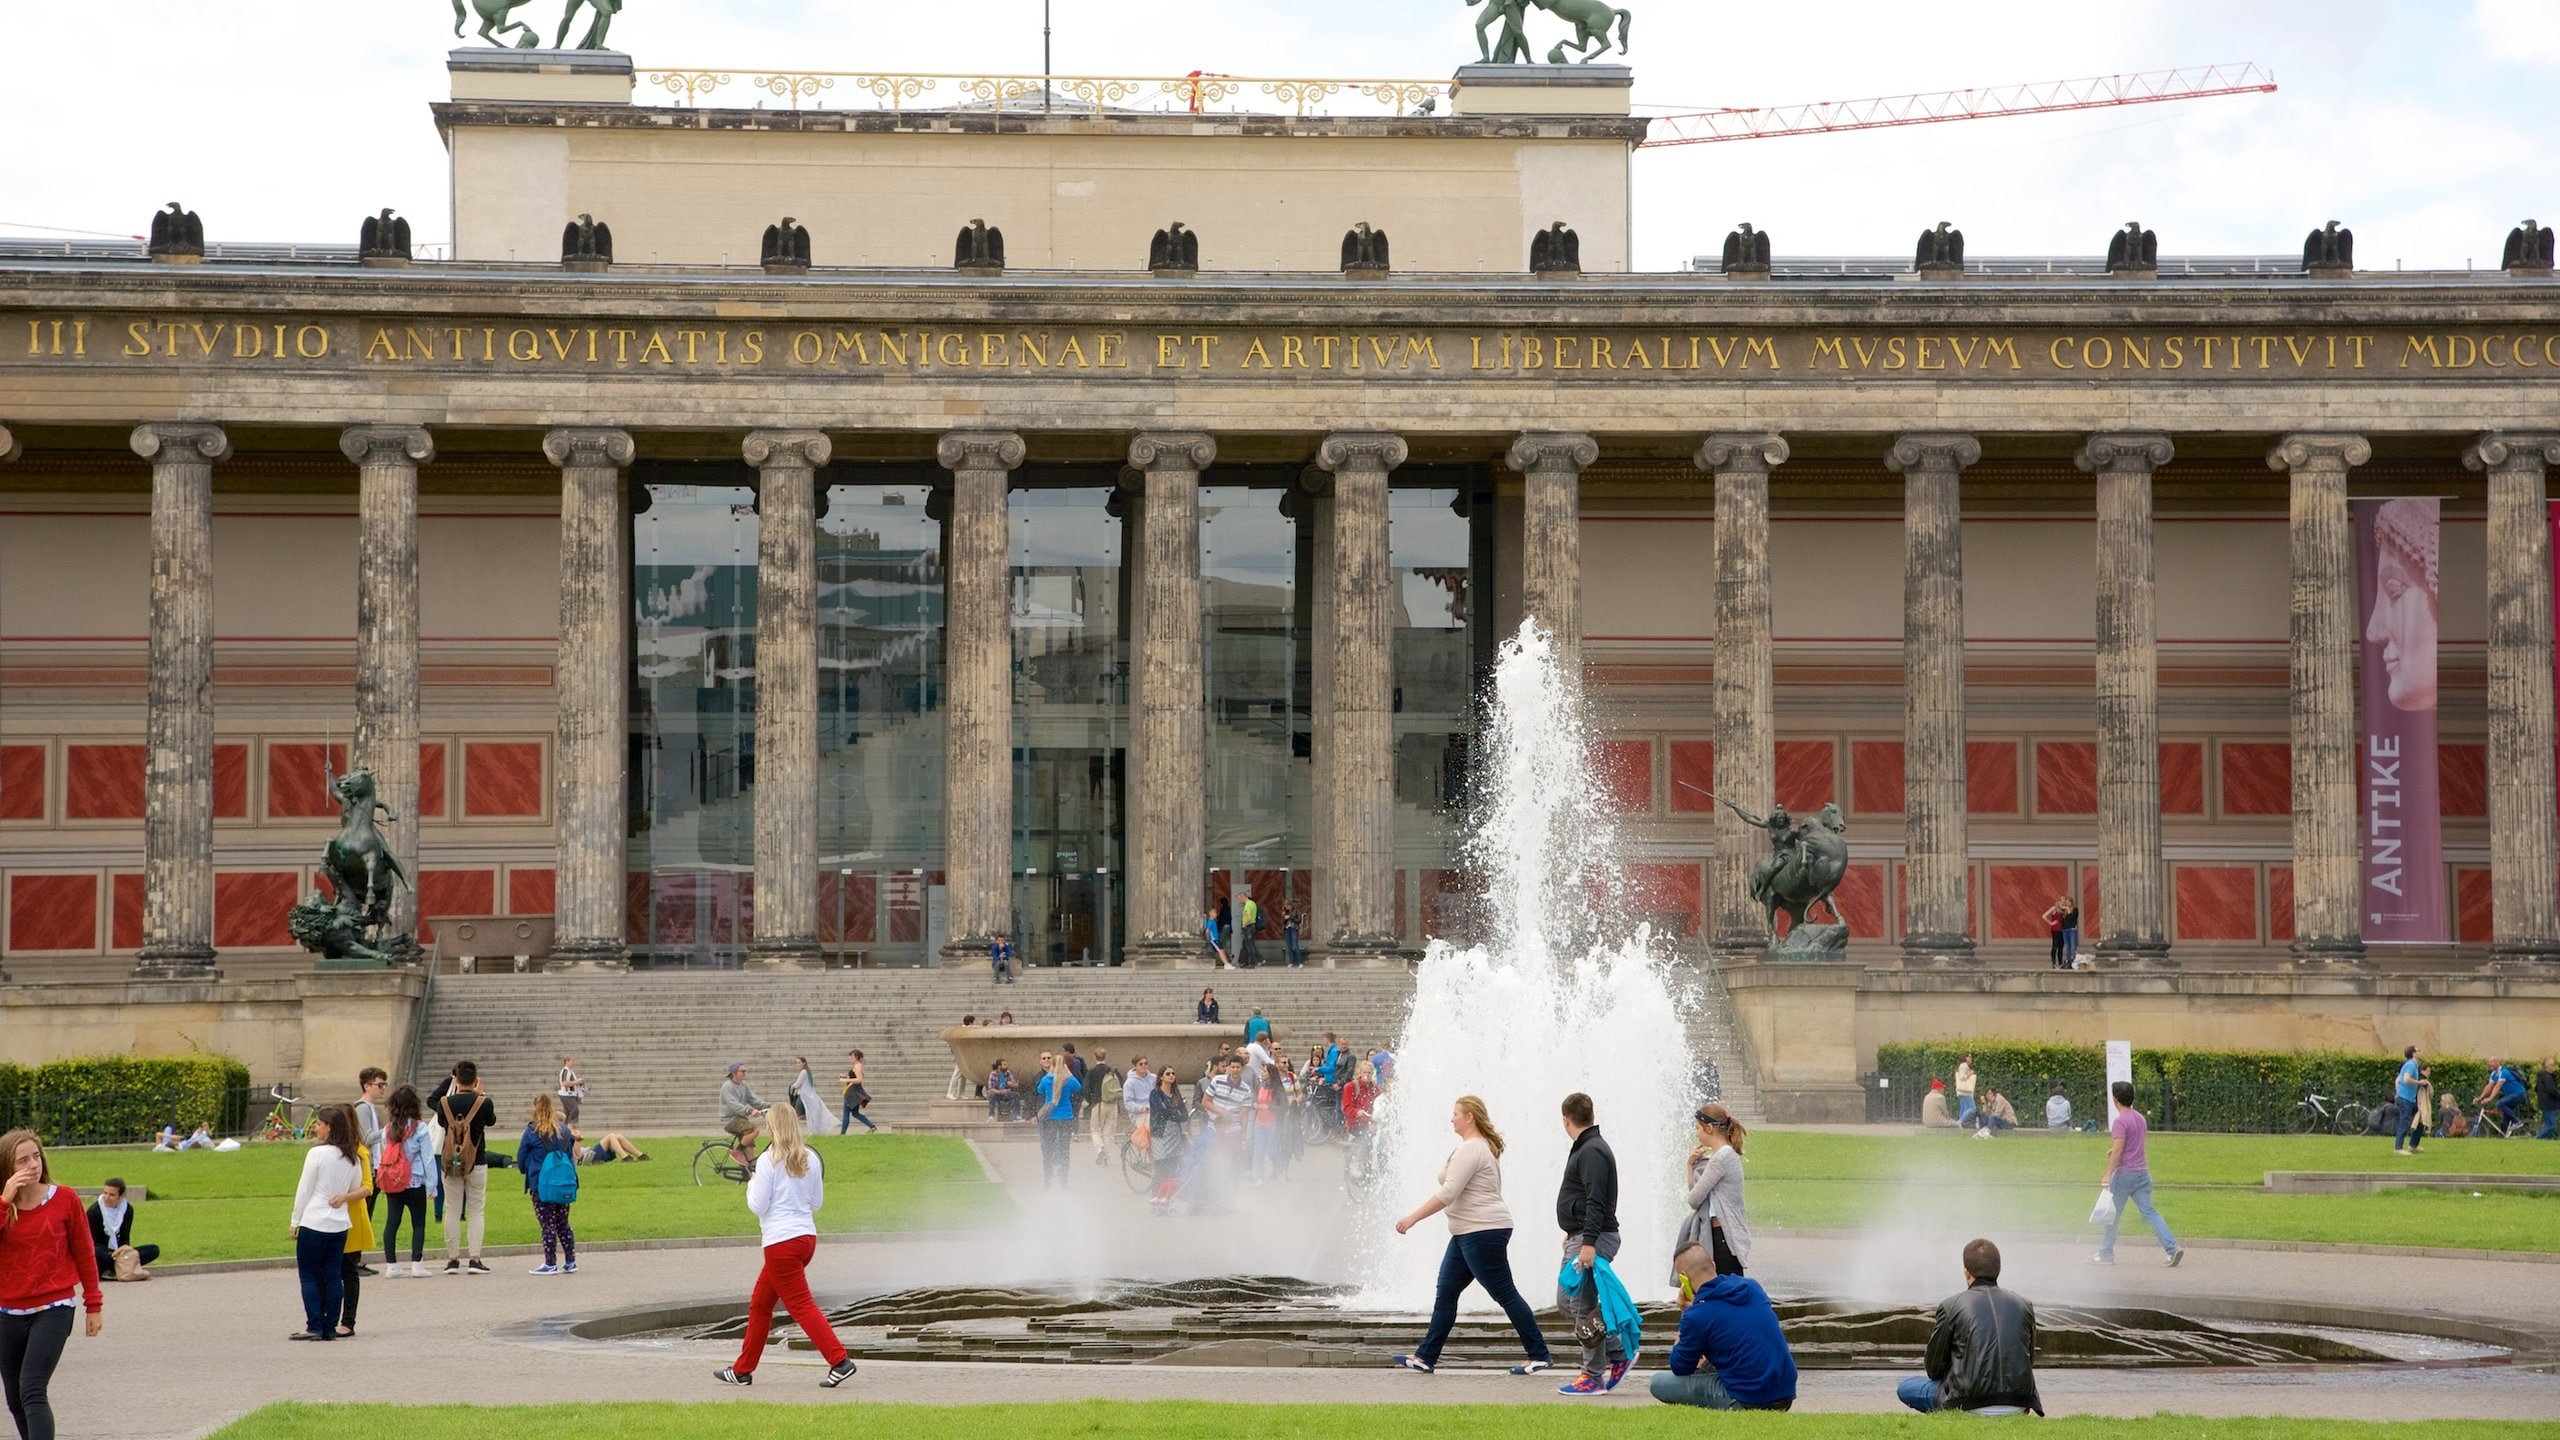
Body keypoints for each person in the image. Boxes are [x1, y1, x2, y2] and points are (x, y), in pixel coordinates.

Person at [1389, 1096, 1553, 1376]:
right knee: (1446, 1293)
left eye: (1455, 1113)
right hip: (1467, 1231)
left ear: (1469, 1117)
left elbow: (1448, 1192)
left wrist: (1412, 1218)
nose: (1451, 1118)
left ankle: (1539, 1354)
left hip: (1483, 1230)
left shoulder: (1472, 1149)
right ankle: (1425, 1357)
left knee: (1504, 1293)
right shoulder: (1474, 1148)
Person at [711, 1103, 859, 1390]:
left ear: (773, 1127)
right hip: (805, 1239)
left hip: (781, 1243)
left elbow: (758, 1205)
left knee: (801, 1306)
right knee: (760, 1305)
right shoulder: (810, 1157)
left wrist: (752, 1182)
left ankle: (839, 1360)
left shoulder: (768, 1161)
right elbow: (816, 1203)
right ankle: (742, 1370)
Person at [0, 1129, 102, 1440]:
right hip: (7, 1311)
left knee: (32, 1387)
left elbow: (85, 1252)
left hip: (54, 1307)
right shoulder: (2, 1204)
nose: (33, 1165)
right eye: (22, 1160)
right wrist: (4, 1201)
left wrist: (93, 1304)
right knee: (15, 1399)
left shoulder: (65, 1199)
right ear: (6, 1167)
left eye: (36, 1157)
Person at [1897, 1238, 2043, 1415]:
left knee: (1906, 1387)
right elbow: (2029, 1360)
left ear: (1966, 1273)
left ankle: (1949, 1414)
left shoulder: (1951, 1306)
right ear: (1999, 1269)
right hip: (2019, 1402)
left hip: (1967, 1402)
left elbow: (1933, 1368)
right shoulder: (2024, 1305)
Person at [1649, 1243, 1797, 1411]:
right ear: (1713, 1265)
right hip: (1785, 1394)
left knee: (1658, 1383)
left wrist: (1685, 1311)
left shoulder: (1696, 1315)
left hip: (1748, 1400)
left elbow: (1679, 1367)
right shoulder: (1752, 1287)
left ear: (1684, 1278)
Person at [1553, 1092, 1626, 1396]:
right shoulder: (1587, 1146)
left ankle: (1593, 1376)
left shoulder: (1592, 1150)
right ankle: (1618, 1351)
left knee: (1582, 1303)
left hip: (1592, 1236)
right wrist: (1574, 1230)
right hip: (1582, 1234)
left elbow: (1596, 1200)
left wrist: (1588, 1242)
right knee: (1566, 1301)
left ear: (1565, 1119)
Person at [288, 1106, 362, 1339]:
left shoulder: (317, 1154)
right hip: (338, 1224)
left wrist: (295, 1220)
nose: (316, 1128)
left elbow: (304, 1189)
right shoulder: (352, 1156)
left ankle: (314, 1324)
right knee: (332, 1275)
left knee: (309, 1275)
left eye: (319, 1124)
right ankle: (330, 1325)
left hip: (315, 1221)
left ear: (329, 1127)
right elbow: (355, 1187)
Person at [2095, 1080, 2182, 1267]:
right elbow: (2133, 1144)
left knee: (2112, 1215)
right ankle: (2172, 1248)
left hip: (2125, 1175)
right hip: (2142, 1173)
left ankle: (2105, 1253)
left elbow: (2119, 1150)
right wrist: (2114, 1149)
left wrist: (2107, 1174)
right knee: (2150, 1212)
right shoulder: (2140, 1118)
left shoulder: (2120, 1122)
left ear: (2115, 1099)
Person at [1676, 1104, 1749, 1284]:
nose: (1696, 1133)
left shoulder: (1721, 1158)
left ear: (1709, 1128)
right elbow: (1697, 1196)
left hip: (1722, 1237)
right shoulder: (1725, 1155)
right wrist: (1690, 1165)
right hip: (1721, 1235)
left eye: (1698, 1128)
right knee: (1727, 1289)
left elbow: (1694, 1199)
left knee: (1724, 1290)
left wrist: (1690, 1166)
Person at [434, 1061, 495, 1275]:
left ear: (456, 1080)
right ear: (476, 1079)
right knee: (476, 1209)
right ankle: (474, 1258)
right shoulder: (484, 1102)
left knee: (452, 1209)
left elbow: (442, 1123)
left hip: (451, 1161)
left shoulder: (444, 1103)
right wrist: (480, 1094)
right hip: (476, 1160)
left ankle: (452, 1259)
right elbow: (491, 1121)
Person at [375, 1085, 437, 1278]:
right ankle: (417, 1264)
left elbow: (386, 1153)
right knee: (418, 1223)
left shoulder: (388, 1129)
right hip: (415, 1181)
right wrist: (432, 1185)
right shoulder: (420, 1128)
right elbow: (428, 1158)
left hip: (393, 1182)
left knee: (392, 1222)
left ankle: (391, 1265)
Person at [327, 1105, 377, 1335]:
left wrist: (344, 1197)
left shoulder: (359, 1152)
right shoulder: (330, 1152)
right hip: (331, 1217)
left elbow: (368, 1187)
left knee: (348, 1270)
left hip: (352, 1217)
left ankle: (348, 1321)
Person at [519, 1094, 580, 1275]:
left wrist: (525, 1170)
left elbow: (522, 1157)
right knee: (563, 1223)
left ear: (535, 1109)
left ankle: (550, 1263)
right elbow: (570, 1155)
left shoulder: (531, 1132)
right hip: (562, 1182)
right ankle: (570, 1260)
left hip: (541, 1183)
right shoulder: (564, 1131)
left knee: (547, 1223)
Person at [84, 1181, 156, 1280]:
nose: (106, 1197)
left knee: (153, 1249)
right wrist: (113, 1254)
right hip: (103, 1252)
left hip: (119, 1252)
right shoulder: (94, 1211)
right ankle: (123, 1267)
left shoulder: (127, 1209)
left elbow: (125, 1237)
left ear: (121, 1196)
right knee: (96, 1252)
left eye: (112, 1195)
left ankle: (116, 1268)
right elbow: (92, 1241)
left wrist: (124, 1251)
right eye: (105, 1193)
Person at [1146, 1068, 1194, 1215]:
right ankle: (1156, 1197)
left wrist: (1172, 1113)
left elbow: (1184, 1115)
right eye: (1168, 1074)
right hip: (1160, 1135)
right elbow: (1161, 1112)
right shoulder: (1155, 1094)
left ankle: (1167, 1199)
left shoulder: (1176, 1094)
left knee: (1172, 1169)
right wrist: (1175, 1113)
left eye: (1173, 1073)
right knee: (1161, 1168)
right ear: (1161, 1077)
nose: (1171, 1076)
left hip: (1175, 1135)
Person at [1034, 1052, 1081, 1190]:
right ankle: (1064, 1181)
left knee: (1048, 1148)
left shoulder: (1046, 1079)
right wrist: (1068, 1072)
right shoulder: (1068, 1080)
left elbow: (1039, 1090)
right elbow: (1078, 1087)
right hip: (1066, 1117)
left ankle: (1047, 1181)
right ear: (1064, 1065)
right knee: (1065, 1149)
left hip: (1050, 1118)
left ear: (1052, 1065)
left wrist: (1051, 1074)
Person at [720, 1062, 767, 1163]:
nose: (745, 1073)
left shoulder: (744, 1085)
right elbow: (734, 1105)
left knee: (749, 1141)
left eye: (745, 1071)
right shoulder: (727, 1087)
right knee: (754, 1129)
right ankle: (737, 1152)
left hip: (741, 1120)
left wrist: (768, 1106)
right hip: (731, 1120)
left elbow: (753, 1099)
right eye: (743, 1071)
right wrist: (750, 1110)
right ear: (734, 1073)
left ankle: (750, 1167)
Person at [2474, 1057, 2527, 1135]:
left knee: (2500, 1103)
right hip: (2511, 1095)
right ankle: (2503, 1136)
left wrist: (2489, 1098)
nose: (2489, 1064)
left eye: (2492, 1062)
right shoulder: (2493, 1074)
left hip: (2519, 1094)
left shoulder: (2504, 1072)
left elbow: (2497, 1086)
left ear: (2498, 1063)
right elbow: (2489, 1087)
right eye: (2489, 1062)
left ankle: (2517, 1121)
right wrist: (2480, 1097)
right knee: (2506, 1116)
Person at [1089, 1053, 1126, 1166]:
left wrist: (1091, 1100)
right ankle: (1106, 1156)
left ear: (1094, 1057)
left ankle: (1100, 1149)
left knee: (1095, 1129)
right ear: (1105, 1057)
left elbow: (1085, 1088)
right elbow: (1121, 1084)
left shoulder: (1092, 1072)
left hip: (1098, 1103)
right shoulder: (1113, 1071)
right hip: (1113, 1104)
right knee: (1109, 1132)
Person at [837, 1051, 878, 1134]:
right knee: (855, 1113)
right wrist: (845, 1076)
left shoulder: (858, 1066)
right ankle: (872, 1127)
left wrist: (846, 1080)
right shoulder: (857, 1065)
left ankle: (842, 1133)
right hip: (854, 1091)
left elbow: (859, 1079)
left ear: (856, 1057)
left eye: (851, 1056)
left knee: (846, 1113)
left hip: (852, 1093)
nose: (850, 1058)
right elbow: (854, 1076)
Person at [2392, 1045, 2423, 1153]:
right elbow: (2406, 1079)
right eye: (2419, 1050)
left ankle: (2413, 1145)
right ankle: (2398, 1148)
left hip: (2409, 1099)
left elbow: (2397, 1080)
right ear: (2414, 1054)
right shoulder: (2411, 1065)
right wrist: (2419, 1082)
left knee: (2420, 1119)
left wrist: (2398, 1093)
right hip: (2406, 1099)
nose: (2421, 1052)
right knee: (2404, 1122)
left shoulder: (2410, 1065)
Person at [1340, 1061, 1380, 1133]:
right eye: (1364, 1072)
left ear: (1372, 1073)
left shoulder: (1374, 1087)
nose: (1367, 1075)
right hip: (1355, 1123)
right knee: (1365, 1136)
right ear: (1360, 1073)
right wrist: (1357, 1112)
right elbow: (1346, 1108)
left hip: (1370, 1122)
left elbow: (1379, 1102)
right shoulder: (1351, 1086)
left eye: (1369, 1073)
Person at [2041, 896, 2078, 970]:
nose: (2063, 903)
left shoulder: (2064, 910)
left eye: (2064, 902)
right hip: (2055, 929)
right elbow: (2044, 916)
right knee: (2055, 946)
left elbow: (2070, 917)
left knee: (2061, 947)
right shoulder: (2054, 908)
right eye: (2062, 901)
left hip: (2062, 929)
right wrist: (2051, 923)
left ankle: (2060, 963)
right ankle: (2054, 963)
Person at [576, 1131, 649, 1164]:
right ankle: (625, 1157)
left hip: (592, 1153)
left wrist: (587, 1148)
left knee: (619, 1136)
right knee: (611, 1136)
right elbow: (577, 1155)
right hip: (589, 1157)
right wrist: (578, 1139)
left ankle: (640, 1155)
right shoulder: (572, 1143)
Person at [2413, 1063, 2439, 1150]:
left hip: (2419, 1104)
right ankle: (2413, 1144)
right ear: (2422, 1071)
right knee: (2419, 1124)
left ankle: (2414, 1144)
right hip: (2419, 1104)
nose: (2429, 1073)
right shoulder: (2422, 1081)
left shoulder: (2422, 1081)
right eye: (2428, 1071)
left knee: (2420, 1124)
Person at [557, 1054, 586, 1127]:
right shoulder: (565, 1070)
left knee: (567, 1113)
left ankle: (565, 1128)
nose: (574, 1063)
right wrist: (577, 1082)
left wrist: (579, 1082)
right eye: (572, 1061)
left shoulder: (570, 1071)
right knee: (574, 1109)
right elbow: (564, 1083)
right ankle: (570, 1127)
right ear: (567, 1061)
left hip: (570, 1094)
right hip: (566, 1094)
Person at [1235, 891, 1262, 967]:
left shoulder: (1247, 905)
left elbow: (1249, 918)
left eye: (1239, 899)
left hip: (1248, 927)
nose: (1239, 901)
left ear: (1243, 897)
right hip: (1252, 926)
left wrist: (1244, 925)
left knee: (1249, 945)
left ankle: (1253, 962)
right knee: (1245, 945)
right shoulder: (1253, 903)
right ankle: (1244, 961)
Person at [2536, 1059, 2559, 1141]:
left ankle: (2548, 1140)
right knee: (2552, 1125)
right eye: (2552, 1065)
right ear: (2548, 1066)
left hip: (2544, 1103)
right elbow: (2551, 1090)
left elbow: (2536, 1089)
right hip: (2549, 1104)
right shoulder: (2547, 1077)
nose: (2554, 1067)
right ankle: (2536, 1138)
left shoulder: (2541, 1076)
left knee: (2548, 1124)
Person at [1954, 1055, 1978, 1128]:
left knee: (1964, 1108)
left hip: (1961, 1091)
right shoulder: (1964, 1065)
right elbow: (1962, 1077)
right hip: (1966, 1092)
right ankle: (1960, 1121)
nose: (1971, 1058)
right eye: (1969, 1057)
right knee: (1972, 1108)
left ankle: (1960, 1123)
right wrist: (1970, 1074)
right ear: (1965, 1058)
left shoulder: (1962, 1065)